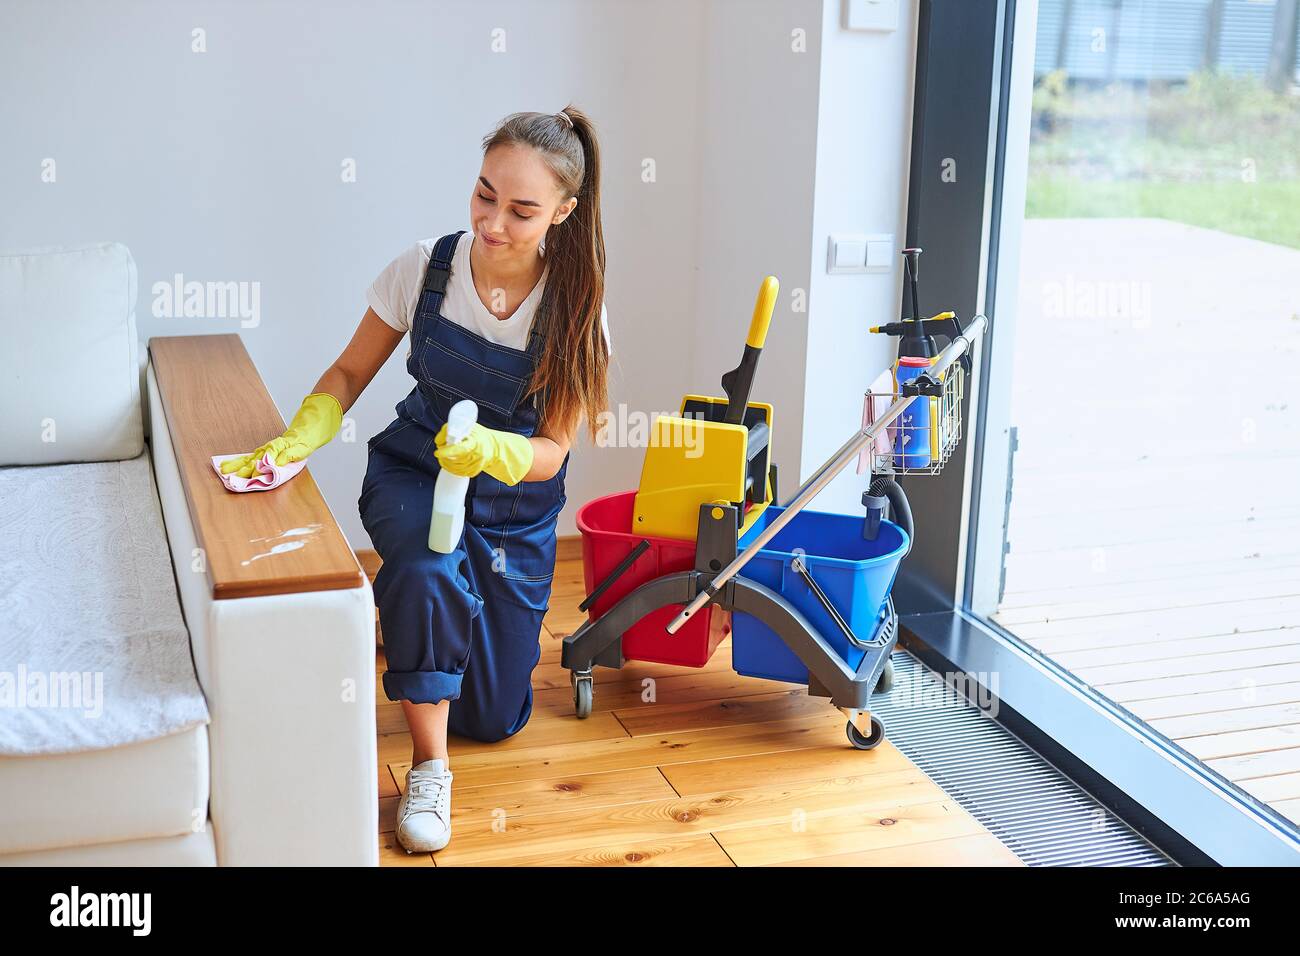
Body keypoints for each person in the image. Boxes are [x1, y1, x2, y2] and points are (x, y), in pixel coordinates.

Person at [221, 106, 611, 854]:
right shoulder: (426, 269)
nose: (494, 222)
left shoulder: (577, 313)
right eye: (484, 193)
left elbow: (554, 451)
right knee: (427, 565)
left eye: (522, 209)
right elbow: (347, 370)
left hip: (514, 505)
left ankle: (414, 631)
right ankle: (429, 769)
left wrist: (492, 453)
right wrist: (302, 433)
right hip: (413, 469)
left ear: (563, 212)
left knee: (493, 718)